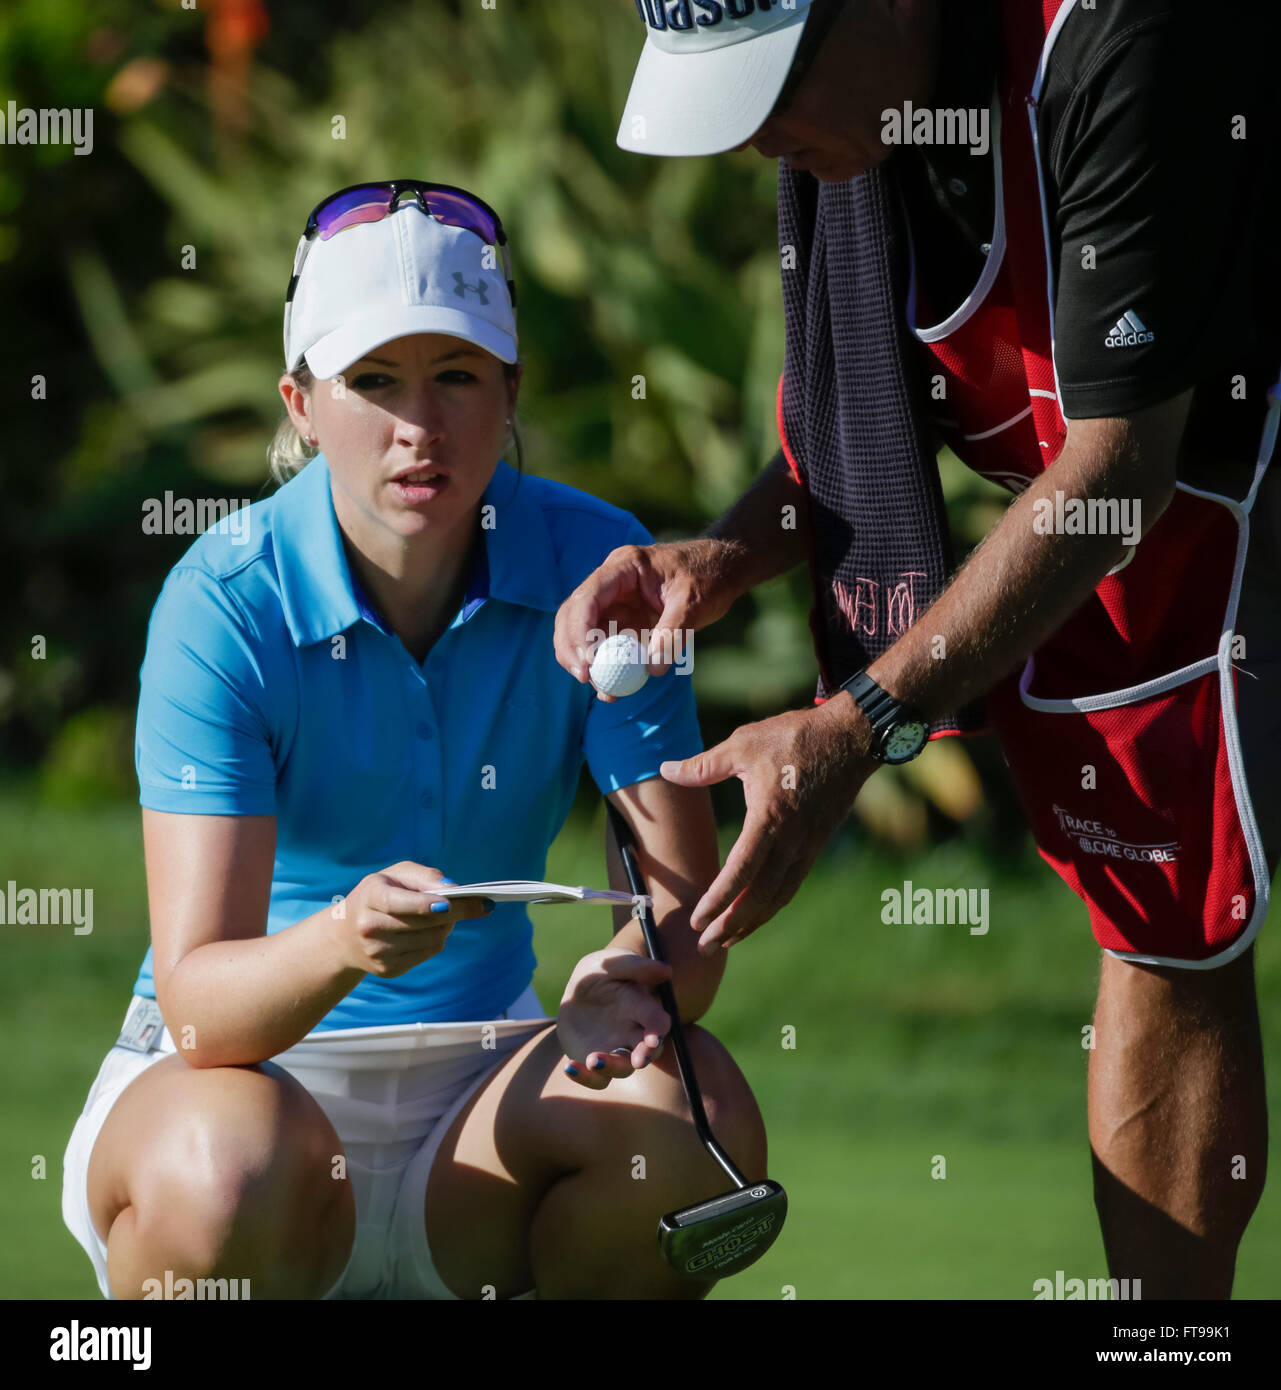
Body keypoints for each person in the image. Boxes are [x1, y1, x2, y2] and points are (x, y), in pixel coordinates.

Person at [557, 1, 1281, 1297]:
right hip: (1162, 507)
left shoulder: (1122, 39)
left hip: (1202, 468)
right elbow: (867, 430)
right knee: (1160, 928)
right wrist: (721, 556)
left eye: (777, 87)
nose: (762, 139)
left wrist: (858, 724)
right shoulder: (865, 136)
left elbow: (1117, 465)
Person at [61, 178, 766, 1301]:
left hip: (485, 1095)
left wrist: (627, 982)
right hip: (241, 1082)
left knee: (696, 1116)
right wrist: (345, 938)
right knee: (222, 1169)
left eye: (457, 378)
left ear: (510, 388)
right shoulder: (225, 600)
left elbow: (679, 921)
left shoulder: (605, 564)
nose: (418, 428)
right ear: (301, 402)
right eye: (373, 381)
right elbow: (200, 1010)